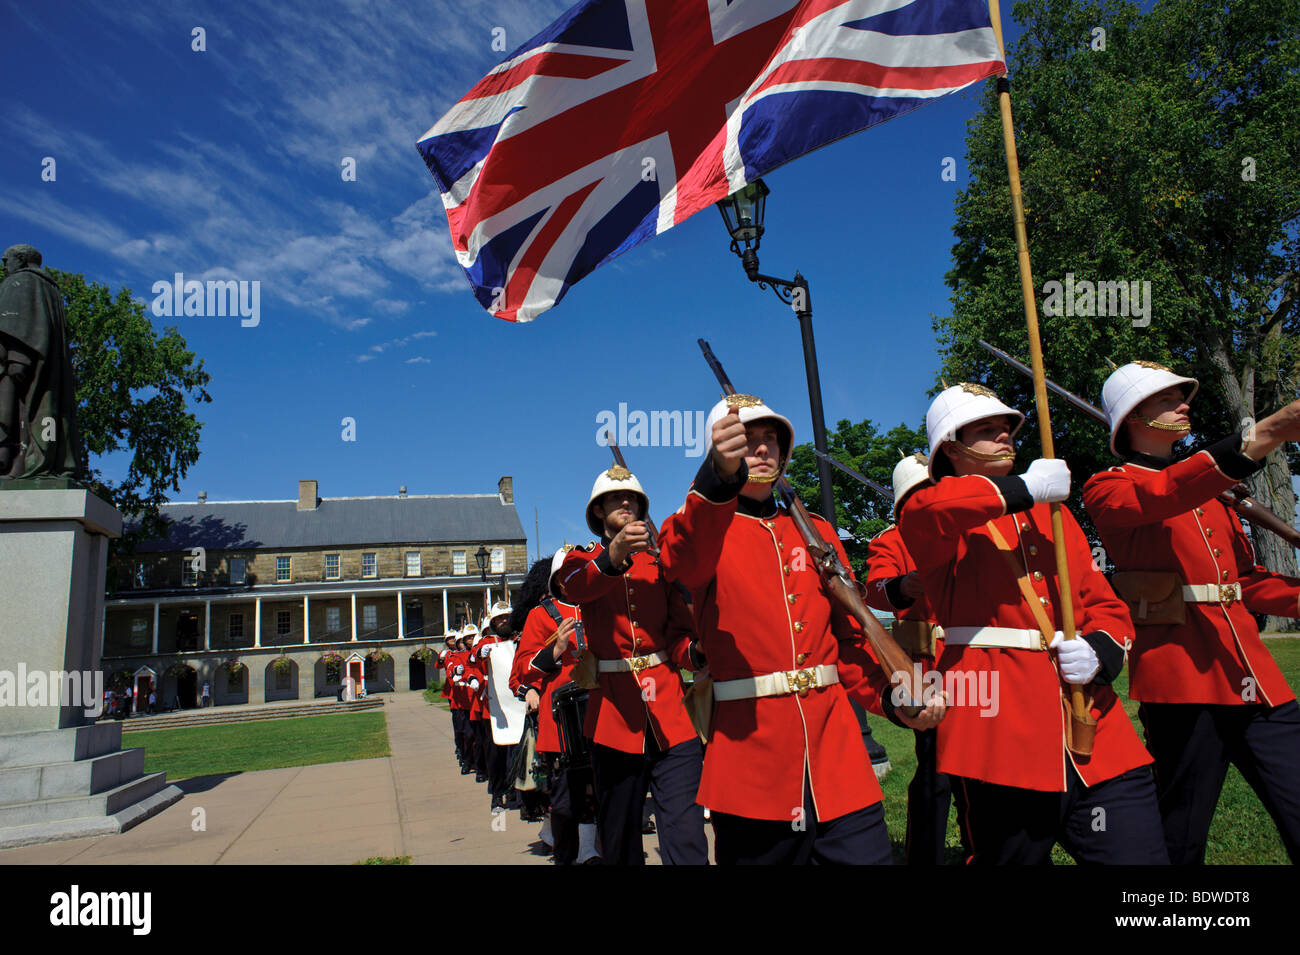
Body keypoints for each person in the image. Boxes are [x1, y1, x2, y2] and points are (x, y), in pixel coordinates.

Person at [659, 396, 943, 865]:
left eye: (772, 438)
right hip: (752, 769)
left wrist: (892, 699)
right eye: (748, 440)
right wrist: (715, 479)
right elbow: (682, 561)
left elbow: (851, 641)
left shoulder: (820, 535)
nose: (764, 448)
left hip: (838, 761)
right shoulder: (700, 528)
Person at [897, 382, 1168, 864]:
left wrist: (1100, 652)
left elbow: (1104, 604)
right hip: (999, 736)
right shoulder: (936, 513)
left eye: (1007, 428)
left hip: (1094, 730)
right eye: (987, 430)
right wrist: (1024, 487)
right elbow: (927, 510)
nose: (1005, 436)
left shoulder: (1052, 513)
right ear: (951, 448)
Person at [1082, 360, 1300, 863]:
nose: (1184, 405)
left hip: (1253, 675)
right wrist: (1266, 432)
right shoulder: (1108, 486)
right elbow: (1164, 492)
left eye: (1184, 396)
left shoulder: (1215, 491)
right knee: (1181, 831)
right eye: (1168, 398)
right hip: (1180, 682)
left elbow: (1243, 583)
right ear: (1135, 416)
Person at [559, 465, 707, 865]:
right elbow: (575, 587)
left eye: (633, 499)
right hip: (613, 716)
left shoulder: (660, 561)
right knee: (620, 834)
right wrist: (616, 555)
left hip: (672, 713)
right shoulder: (581, 558)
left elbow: (677, 636)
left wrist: (696, 654)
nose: (625, 502)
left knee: (687, 829)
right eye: (615, 498)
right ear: (597, 511)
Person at [863, 452, 966, 864]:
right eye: (922, 493)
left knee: (976, 769)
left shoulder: (965, 529)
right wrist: (905, 585)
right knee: (936, 771)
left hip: (974, 663)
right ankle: (924, 856)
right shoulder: (891, 540)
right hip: (930, 671)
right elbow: (875, 589)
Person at [511, 550, 601, 864]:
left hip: (601, 709)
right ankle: (566, 854)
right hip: (560, 717)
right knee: (565, 796)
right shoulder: (541, 614)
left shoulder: (599, 607)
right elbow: (523, 667)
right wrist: (556, 648)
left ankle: (589, 849)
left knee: (596, 790)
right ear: (558, 580)